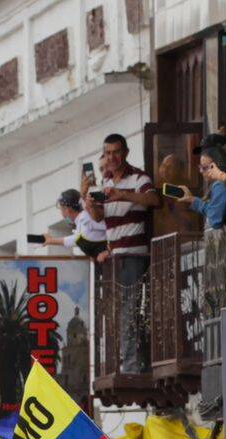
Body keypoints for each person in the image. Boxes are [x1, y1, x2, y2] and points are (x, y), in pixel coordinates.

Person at [86, 133, 159, 373]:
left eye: (116, 152)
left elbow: (153, 199)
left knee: (130, 308)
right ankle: (126, 362)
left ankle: (131, 365)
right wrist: (89, 203)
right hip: (116, 257)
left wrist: (123, 194)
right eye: (108, 153)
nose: (112, 158)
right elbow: (99, 217)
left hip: (133, 254)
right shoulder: (105, 181)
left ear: (125, 152)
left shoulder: (138, 177)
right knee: (120, 310)